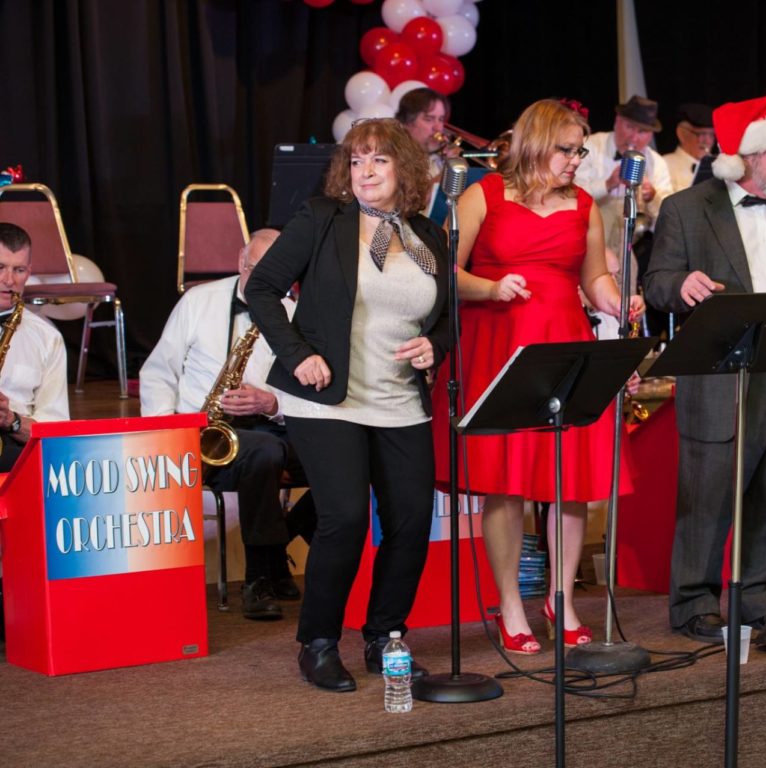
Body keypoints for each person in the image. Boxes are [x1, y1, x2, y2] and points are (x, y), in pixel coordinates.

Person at [245, 118, 451, 693]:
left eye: (379, 160)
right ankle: (317, 643)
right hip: (326, 399)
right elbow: (261, 288)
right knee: (346, 518)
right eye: (357, 161)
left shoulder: (428, 236)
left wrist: (435, 346)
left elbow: (446, 318)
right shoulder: (322, 218)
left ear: (405, 168)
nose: (365, 172)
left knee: (411, 521)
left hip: (400, 400)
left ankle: (385, 636)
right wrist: (297, 353)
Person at [432, 98, 643, 655]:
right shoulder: (484, 195)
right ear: (534, 144)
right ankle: (510, 605)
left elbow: (593, 278)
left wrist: (618, 302)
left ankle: (561, 599)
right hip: (497, 346)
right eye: (566, 149)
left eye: (580, 151)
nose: (575, 160)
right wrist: (490, 288)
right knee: (504, 483)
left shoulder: (584, 206)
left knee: (569, 480)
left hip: (564, 343)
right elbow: (442, 269)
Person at [643, 95, 766, 643]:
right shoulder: (687, 208)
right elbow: (657, 282)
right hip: (722, 376)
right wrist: (682, 286)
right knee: (709, 493)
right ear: (748, 156)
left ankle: (760, 596)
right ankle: (694, 602)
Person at [140, 228, 315, 622]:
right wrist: (171, 431)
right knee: (265, 454)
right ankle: (258, 579)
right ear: (240, 261)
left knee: (349, 454)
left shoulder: (295, 314)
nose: (266, 284)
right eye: (256, 271)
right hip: (207, 432)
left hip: (274, 424)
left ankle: (277, 547)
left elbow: (311, 391)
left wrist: (272, 402)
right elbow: (158, 373)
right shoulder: (198, 301)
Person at [0, 222, 70, 638]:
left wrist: (10, 420)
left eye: (19, 270)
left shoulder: (46, 338)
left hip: (12, 441)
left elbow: (55, 428)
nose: (8, 280)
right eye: (0, 268)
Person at [574, 95, 674, 283]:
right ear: (617, 121)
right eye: (630, 127)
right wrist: (607, 184)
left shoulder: (656, 163)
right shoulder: (590, 146)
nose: (634, 137)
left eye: (642, 131)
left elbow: (668, 216)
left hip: (632, 246)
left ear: (651, 135)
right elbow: (571, 194)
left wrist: (652, 197)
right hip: (587, 244)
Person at [663, 103, 716, 193]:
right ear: (682, 134)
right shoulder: (665, 164)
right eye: (701, 134)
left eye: (712, 135)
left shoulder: (718, 164)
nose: (708, 141)